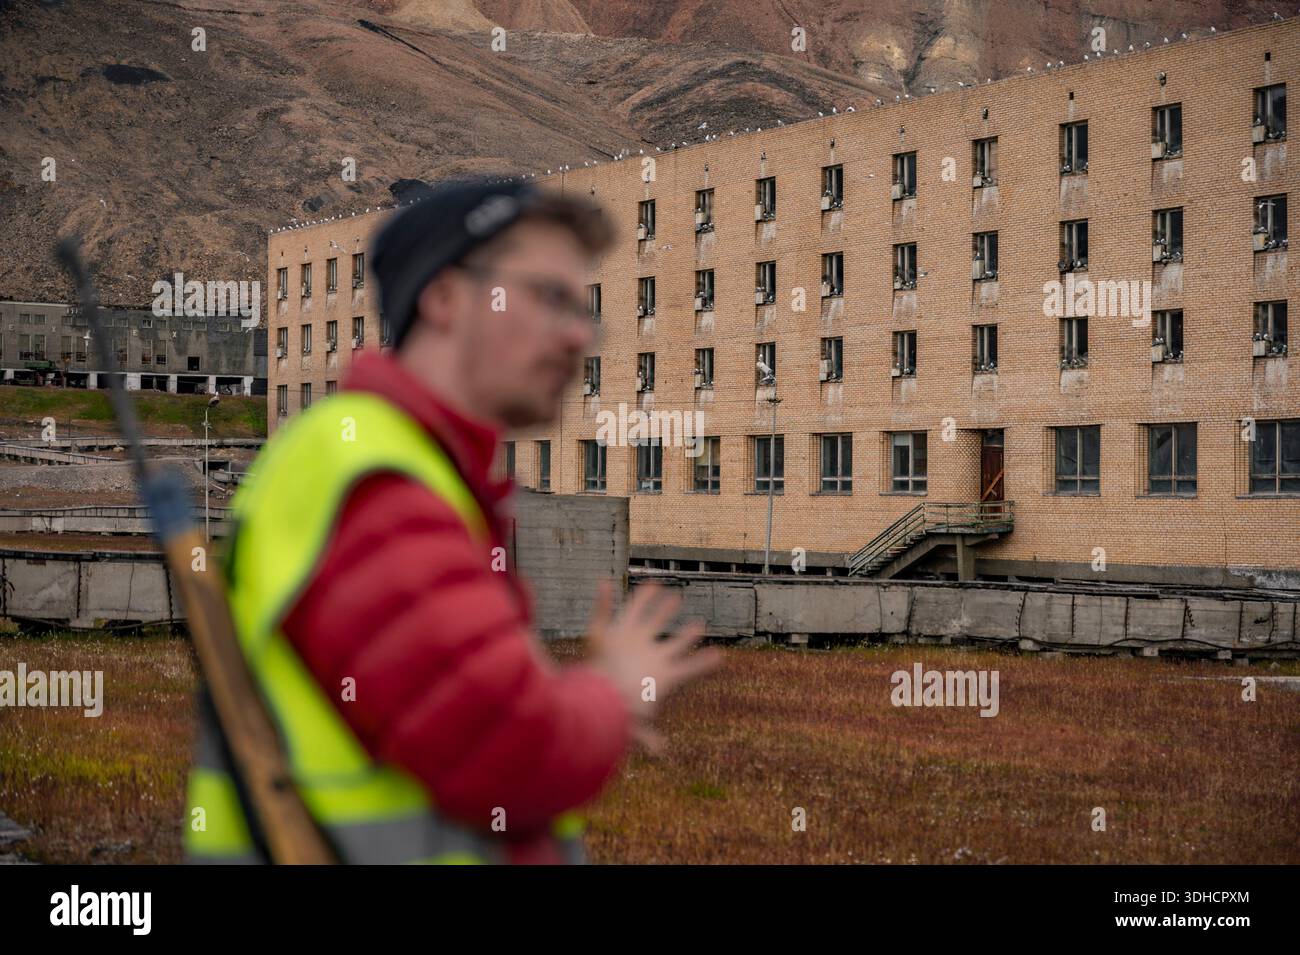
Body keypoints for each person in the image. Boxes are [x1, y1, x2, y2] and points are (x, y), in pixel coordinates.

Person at [184, 179, 720, 864]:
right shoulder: (379, 480)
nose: (578, 335)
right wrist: (613, 688)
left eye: (583, 309)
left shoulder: (414, 466)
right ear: (442, 297)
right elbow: (508, 752)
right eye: (549, 297)